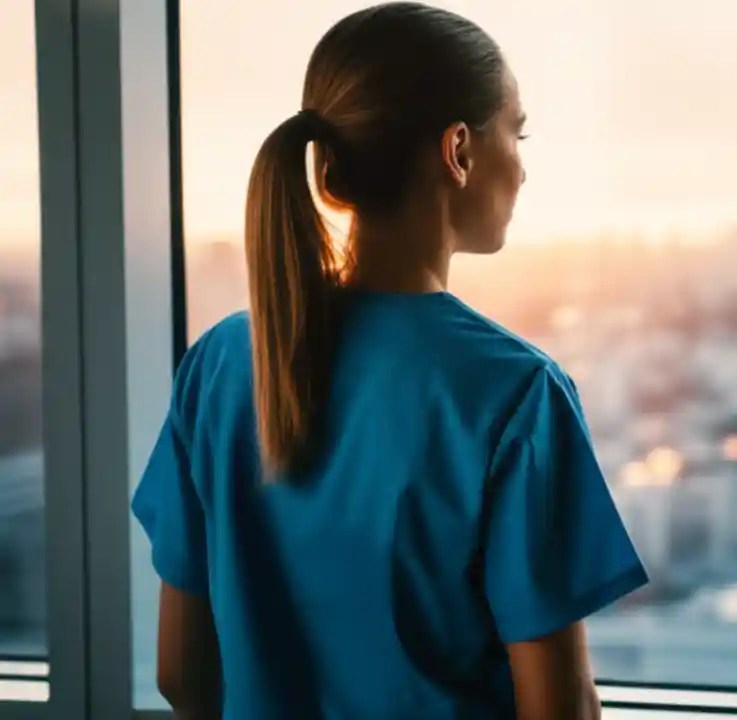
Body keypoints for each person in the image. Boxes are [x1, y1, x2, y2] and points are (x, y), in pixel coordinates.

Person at [131, 4, 647, 718]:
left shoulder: (218, 366)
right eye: (517, 133)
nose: (524, 169)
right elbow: (559, 711)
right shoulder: (514, 393)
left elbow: (182, 676)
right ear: (458, 151)